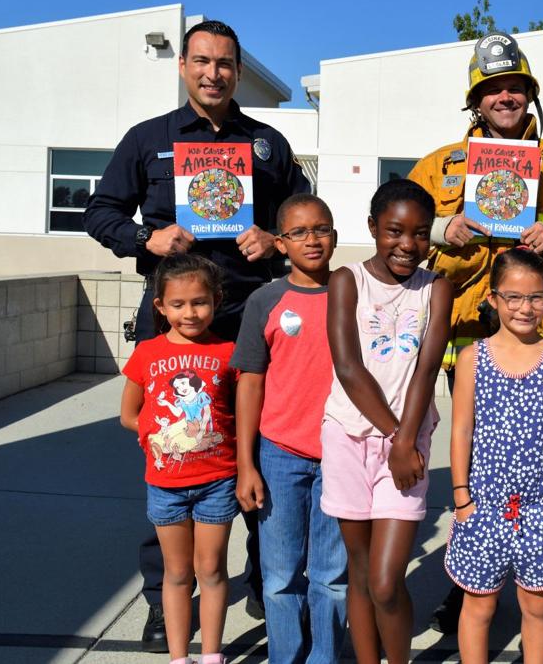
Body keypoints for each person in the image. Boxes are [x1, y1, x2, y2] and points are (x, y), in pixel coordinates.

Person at [84, 20, 309, 650]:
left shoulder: (268, 144)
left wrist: (277, 239)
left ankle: (271, 581)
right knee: (173, 450)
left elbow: (306, 217)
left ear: (238, 71)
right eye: (202, 62)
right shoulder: (148, 139)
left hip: (251, 320)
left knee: (264, 451)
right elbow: (98, 210)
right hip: (175, 324)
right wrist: (143, 238)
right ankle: (165, 597)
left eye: (226, 64)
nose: (214, 74)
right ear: (183, 66)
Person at [408, 31, 543, 647]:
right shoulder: (441, 164)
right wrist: (442, 229)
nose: (505, 97)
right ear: (476, 98)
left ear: (530, 94)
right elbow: (402, 230)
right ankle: (471, 580)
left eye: (515, 87)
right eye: (492, 88)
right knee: (479, 462)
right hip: (467, 344)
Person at [322, 179, 453, 664]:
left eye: (420, 234)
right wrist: (393, 434)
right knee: (359, 572)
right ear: (374, 227)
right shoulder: (346, 280)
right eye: (395, 231)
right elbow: (349, 368)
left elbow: (427, 368)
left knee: (385, 580)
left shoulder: (436, 288)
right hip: (348, 438)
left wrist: (404, 442)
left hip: (406, 447)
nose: (408, 245)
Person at [444, 249, 543, 664]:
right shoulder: (472, 358)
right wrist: (462, 497)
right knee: (479, 605)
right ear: (493, 297)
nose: (526, 308)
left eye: (537, 297)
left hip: (541, 507)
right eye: (514, 297)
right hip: (482, 505)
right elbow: (462, 429)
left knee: (538, 606)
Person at [232, 194, 346, 664]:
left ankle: (324, 657)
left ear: (336, 236)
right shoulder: (266, 300)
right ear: (279, 243)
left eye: (320, 229)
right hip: (279, 454)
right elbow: (250, 383)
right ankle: (286, 656)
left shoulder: (353, 292)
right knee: (280, 577)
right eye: (298, 232)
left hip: (342, 453)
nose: (311, 239)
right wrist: (246, 464)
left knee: (332, 576)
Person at [119, 253, 239, 664]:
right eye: (178, 304)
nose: (190, 312)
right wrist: (164, 437)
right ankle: (177, 657)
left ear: (217, 299)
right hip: (165, 484)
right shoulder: (147, 354)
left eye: (199, 302)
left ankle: (210, 655)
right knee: (176, 573)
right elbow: (129, 415)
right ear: (160, 306)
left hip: (217, 480)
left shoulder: (230, 352)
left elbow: (240, 414)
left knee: (211, 570)